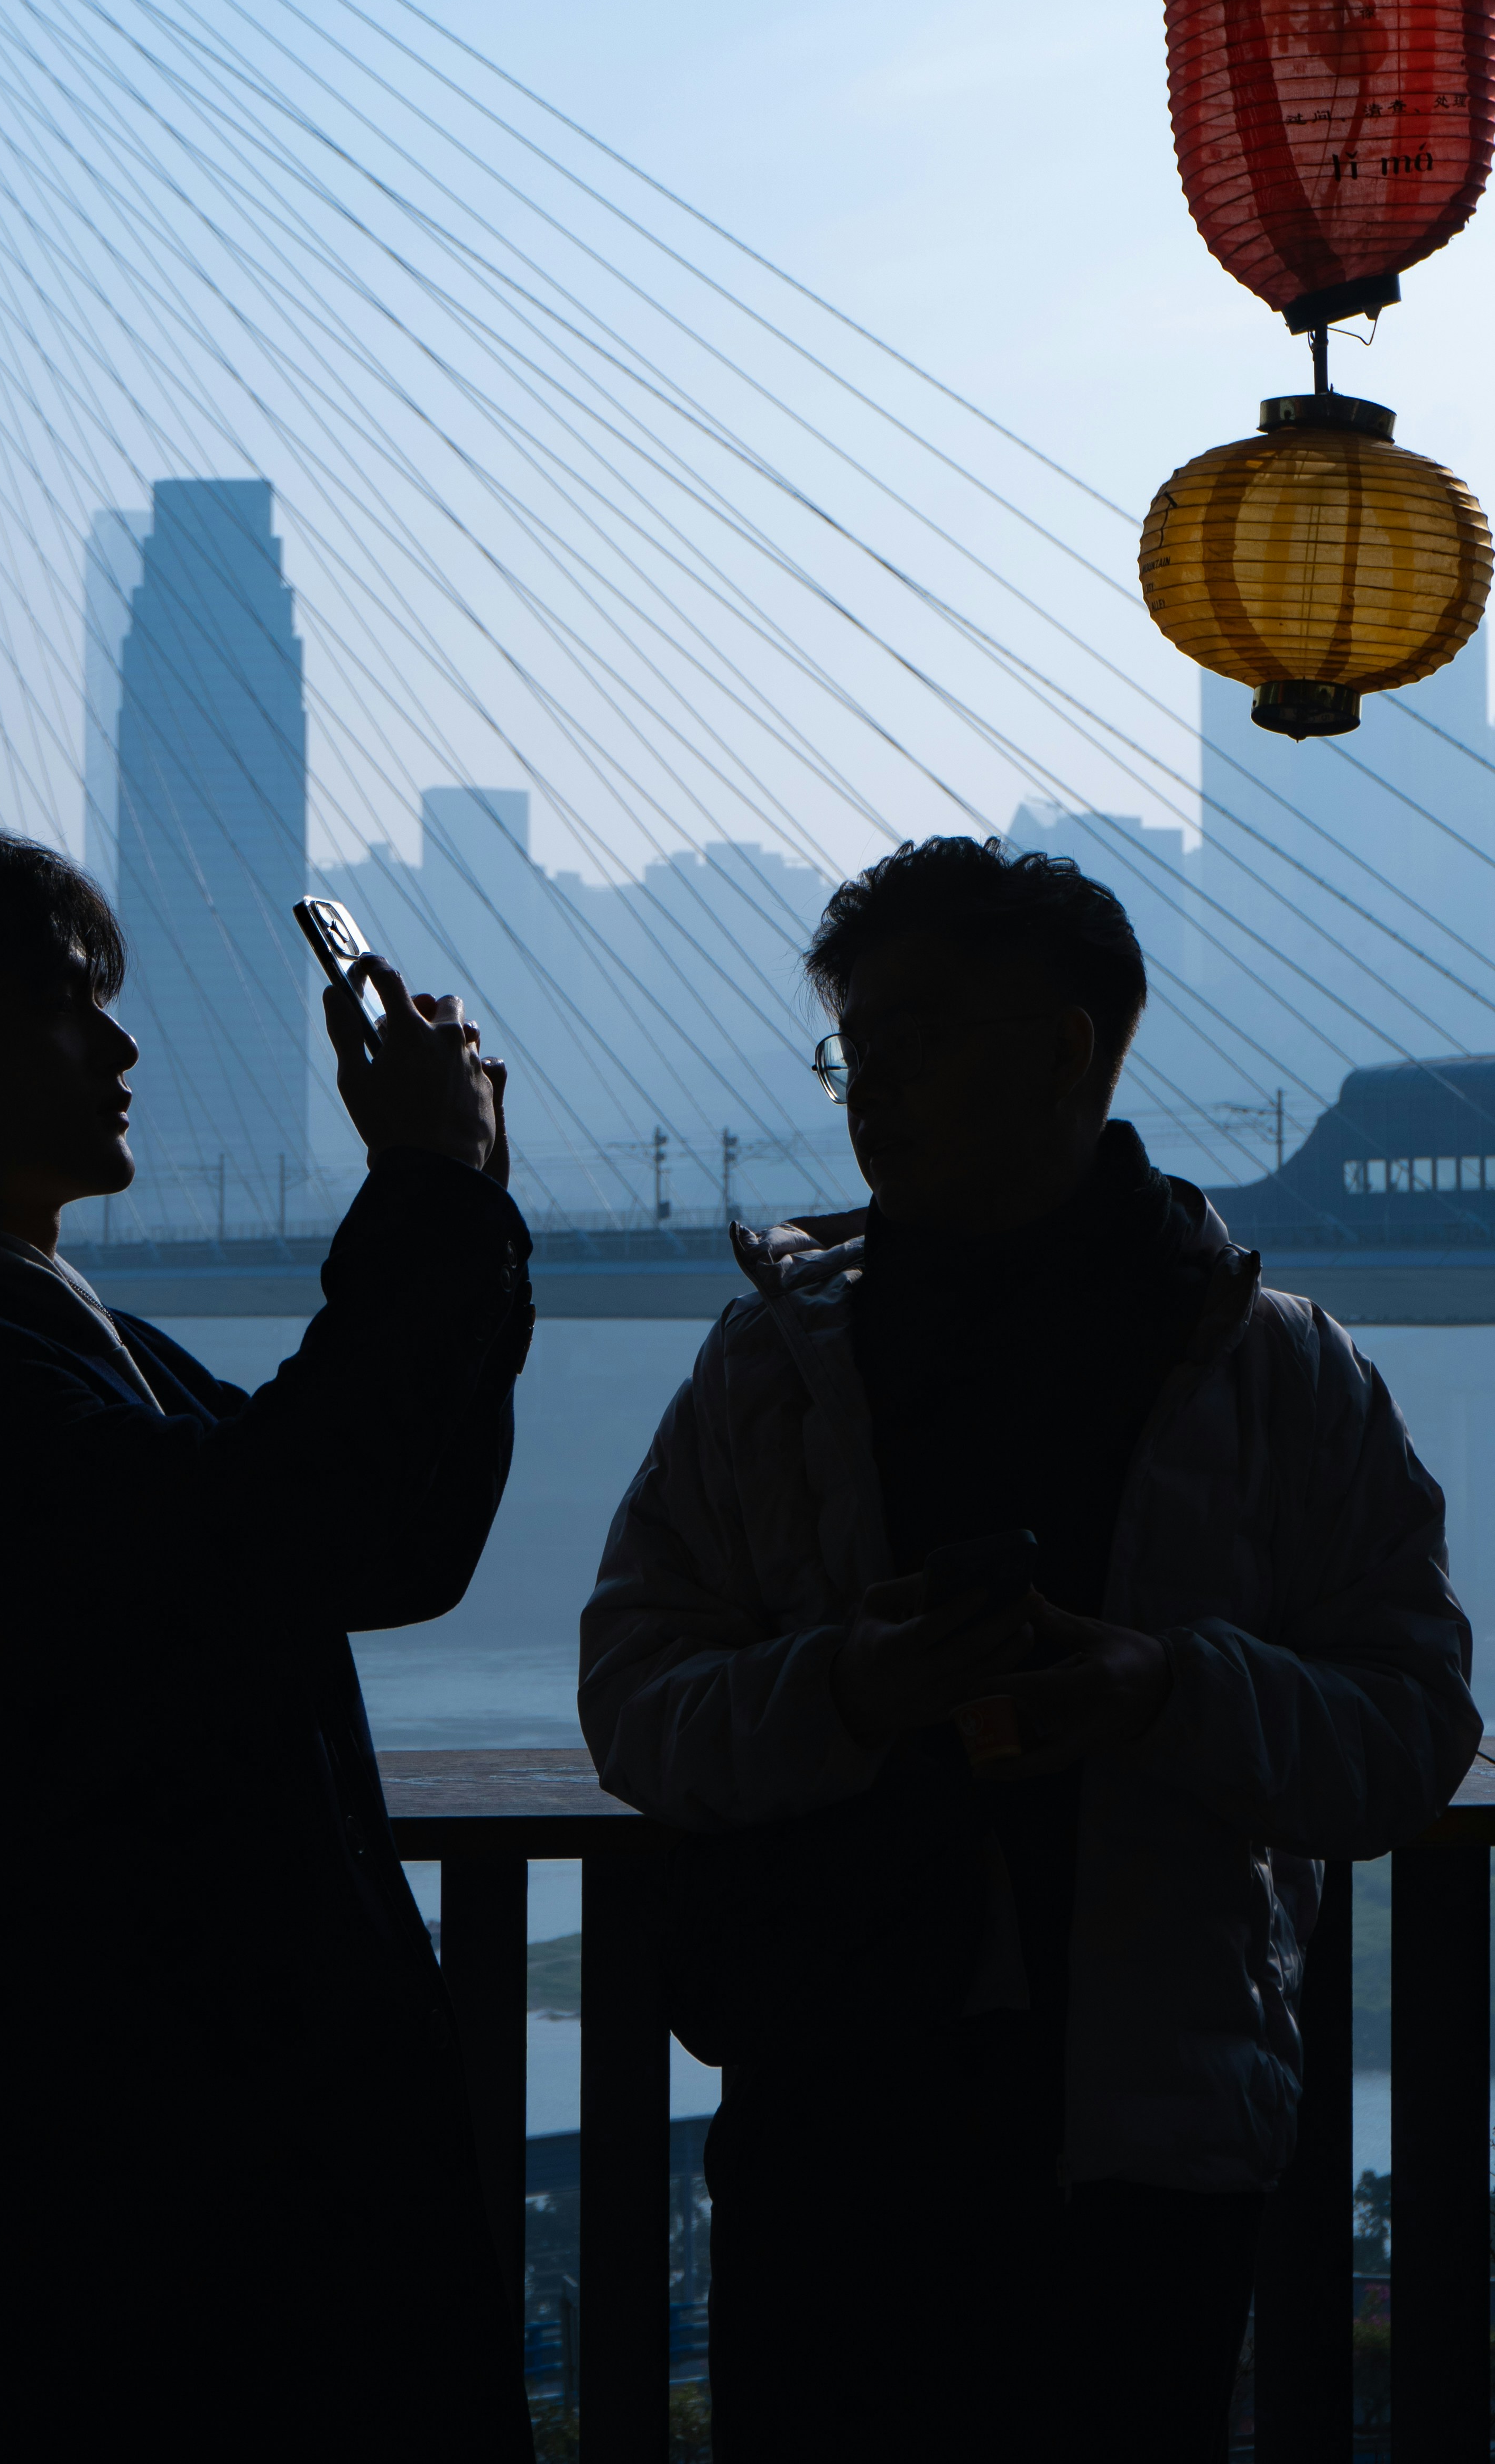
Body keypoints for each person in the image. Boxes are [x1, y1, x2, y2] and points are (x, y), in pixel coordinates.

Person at [578, 836, 1478, 2463]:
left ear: (1065, 1048)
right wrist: (847, 1688)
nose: (867, 1087)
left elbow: (1414, 1725)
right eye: (853, 1048)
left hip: (1134, 2173)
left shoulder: (1281, 1376)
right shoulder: (771, 1369)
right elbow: (632, 1696)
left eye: (911, 1037)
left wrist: (1168, 1688)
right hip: (836, 2137)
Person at [0, 822, 536, 2462]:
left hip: (187, 2174)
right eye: (64, 1006)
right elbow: (288, 1528)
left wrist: (467, 1208)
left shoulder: (48, 1338)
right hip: (136, 2210)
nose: (121, 1048)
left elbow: (392, 1544)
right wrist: (430, 1193)